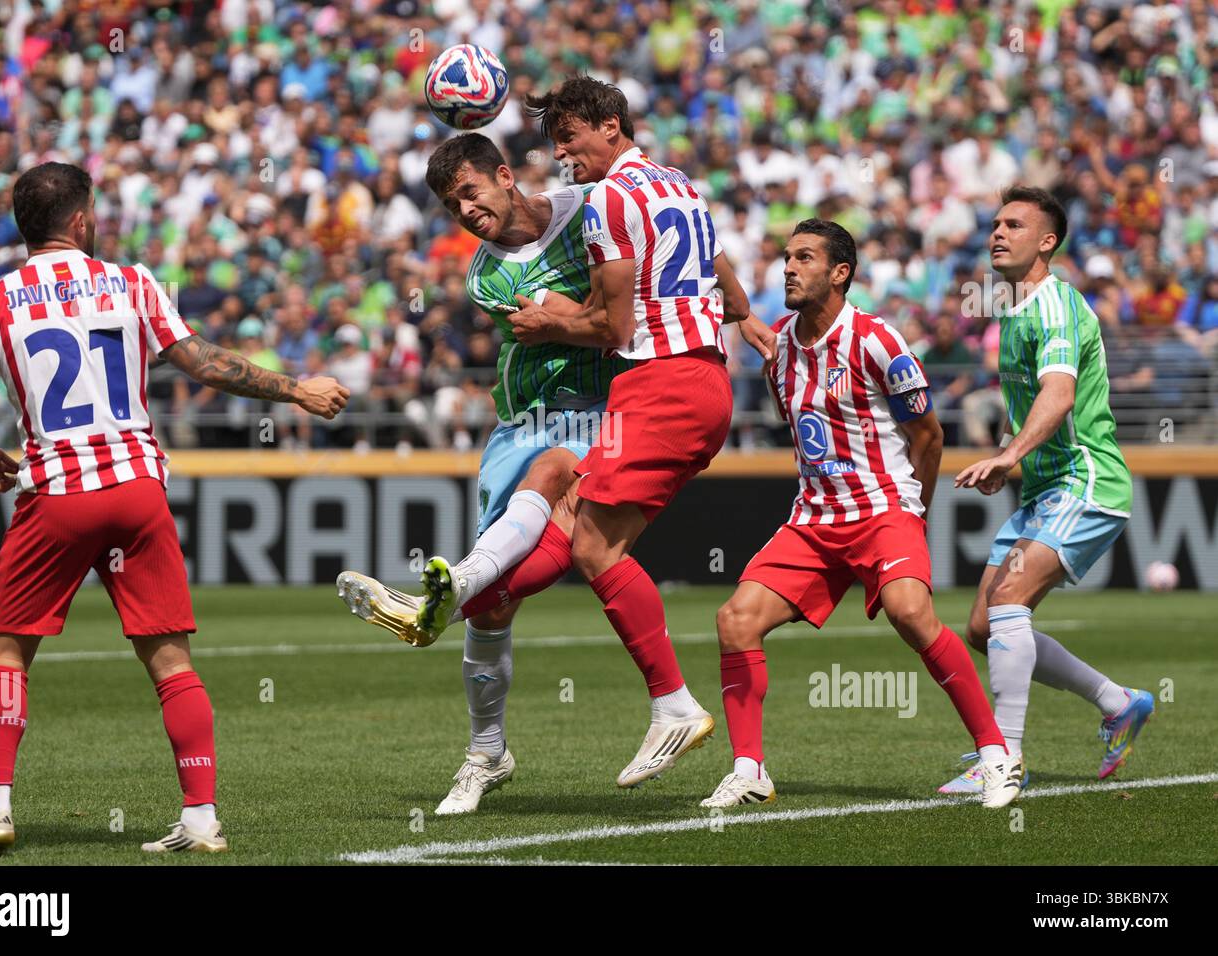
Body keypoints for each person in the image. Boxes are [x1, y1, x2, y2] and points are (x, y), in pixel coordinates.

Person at [0, 162, 348, 854]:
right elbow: (201, 362)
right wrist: (296, 390)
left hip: (58, 492)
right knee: (170, 660)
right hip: (136, 488)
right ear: (79, 220)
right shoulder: (132, 283)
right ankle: (200, 818)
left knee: (8, 653)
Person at [422, 75, 775, 789]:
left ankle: (671, 703)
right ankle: (471, 590)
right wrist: (741, 315)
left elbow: (611, 329)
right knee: (562, 517)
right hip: (676, 384)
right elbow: (710, 264)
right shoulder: (676, 182)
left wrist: (554, 318)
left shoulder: (605, 200)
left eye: (570, 138)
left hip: (655, 382)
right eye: (554, 143)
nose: (562, 154)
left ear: (611, 125)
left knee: (591, 542)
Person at [335, 132, 630, 814]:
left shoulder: (589, 209)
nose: (464, 210)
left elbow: (605, 325)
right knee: (492, 610)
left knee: (548, 490)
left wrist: (571, 318)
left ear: (505, 176)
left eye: (470, 191)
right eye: (450, 204)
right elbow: (571, 323)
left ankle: (455, 584)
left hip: (597, 417)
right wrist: (571, 317)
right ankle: (487, 750)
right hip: (520, 424)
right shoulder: (486, 275)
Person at [704, 220, 1021, 810]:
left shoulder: (878, 341)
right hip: (814, 520)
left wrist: (913, 511)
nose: (789, 268)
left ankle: (997, 754)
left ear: (840, 273)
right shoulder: (779, 350)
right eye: (786, 257)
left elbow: (927, 438)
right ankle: (750, 768)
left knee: (910, 613)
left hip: (882, 510)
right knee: (735, 621)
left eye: (805, 258)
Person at [943, 186, 1152, 796]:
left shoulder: (1057, 304)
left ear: (1047, 241)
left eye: (1014, 224)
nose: (996, 233)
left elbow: (1059, 396)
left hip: (1086, 479)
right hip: (1045, 487)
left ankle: (1005, 758)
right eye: (994, 223)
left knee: (1008, 602)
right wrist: (1014, 462)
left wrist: (1008, 454)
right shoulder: (1012, 310)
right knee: (983, 626)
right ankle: (1119, 703)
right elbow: (1036, 404)